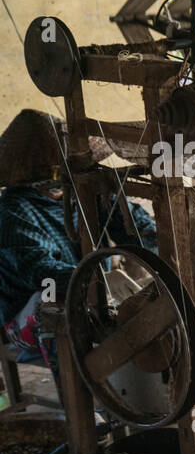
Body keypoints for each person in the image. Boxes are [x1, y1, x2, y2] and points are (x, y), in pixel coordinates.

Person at [0, 109, 156, 366]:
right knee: (56, 309)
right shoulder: (13, 212)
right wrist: (97, 279)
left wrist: (154, 240)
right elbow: (42, 272)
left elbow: (130, 225)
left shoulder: (82, 190)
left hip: (88, 288)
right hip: (28, 310)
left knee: (147, 290)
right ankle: (76, 402)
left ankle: (128, 388)